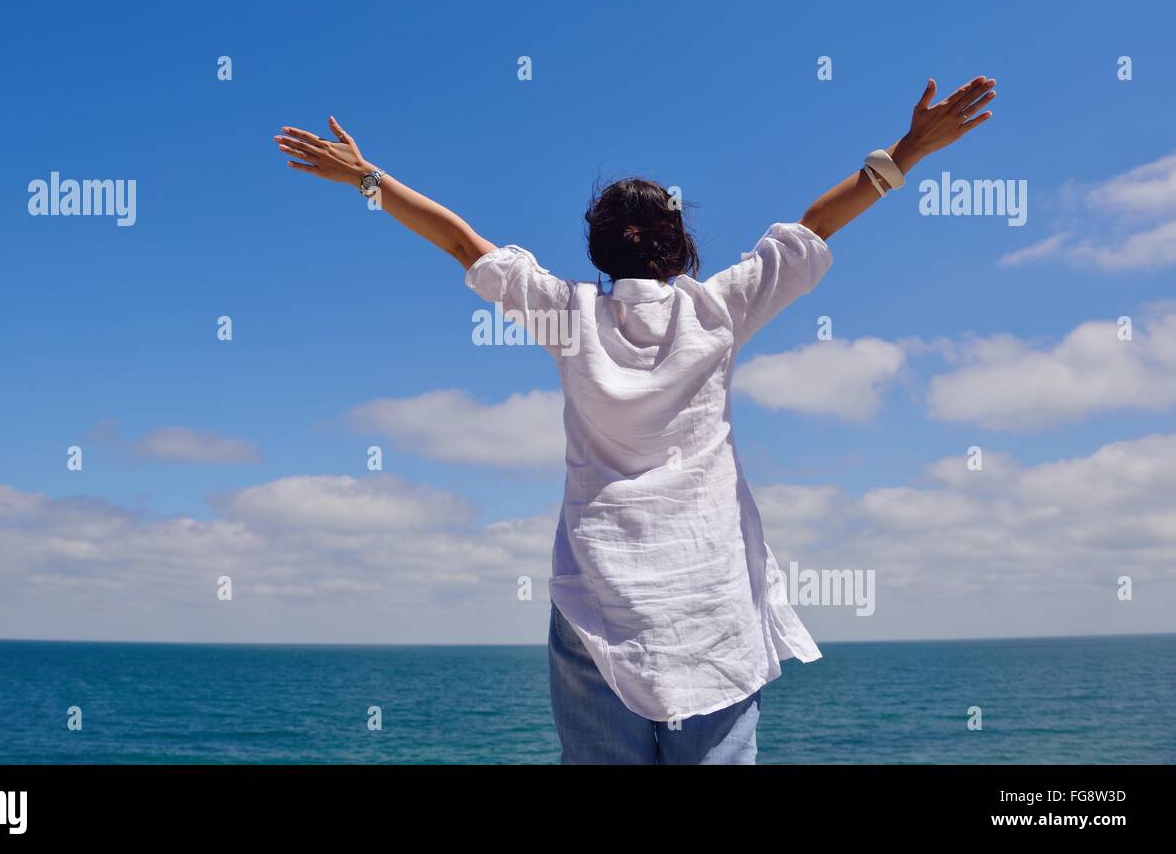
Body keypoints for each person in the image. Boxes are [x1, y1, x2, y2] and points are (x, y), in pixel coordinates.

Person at [272, 75, 996, 764]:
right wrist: (909, 151)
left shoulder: (569, 315)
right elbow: (813, 226)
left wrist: (368, 178)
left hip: (596, 601)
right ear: (680, 246)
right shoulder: (718, 310)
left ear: (598, 250)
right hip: (710, 606)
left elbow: (464, 244)